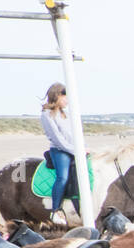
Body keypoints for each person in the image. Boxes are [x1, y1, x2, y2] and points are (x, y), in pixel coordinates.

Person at [39, 82, 77, 225]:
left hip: (73, 149)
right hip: (60, 151)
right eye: (65, 97)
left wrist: (82, 148)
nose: (67, 101)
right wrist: (74, 150)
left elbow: (72, 135)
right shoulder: (47, 115)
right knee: (63, 177)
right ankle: (55, 210)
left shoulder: (65, 114)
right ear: (57, 96)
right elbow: (58, 138)